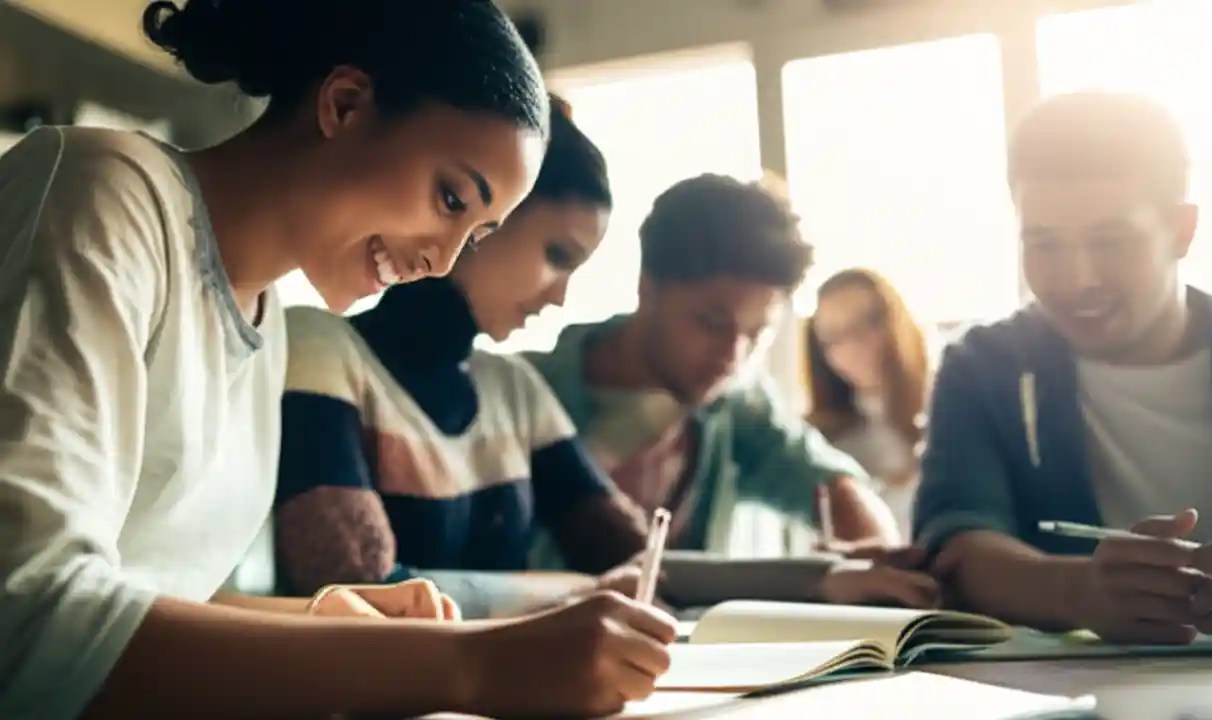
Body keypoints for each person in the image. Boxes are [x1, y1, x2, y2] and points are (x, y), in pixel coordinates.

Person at [0, 2, 674, 719]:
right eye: (450, 198)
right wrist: (469, 664)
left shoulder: (270, 324)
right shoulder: (103, 191)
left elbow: (161, 594)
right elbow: (26, 615)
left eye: (475, 235)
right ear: (345, 104)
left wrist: (324, 622)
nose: (440, 260)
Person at [915, 91, 1212, 647]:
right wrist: (1077, 592)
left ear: (1181, 231)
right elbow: (958, 543)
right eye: (1044, 245)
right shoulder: (983, 368)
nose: (1076, 278)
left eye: (1109, 242)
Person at [275, 98, 652, 619]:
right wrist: (575, 592)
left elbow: (637, 563)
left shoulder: (512, 387)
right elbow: (360, 590)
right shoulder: (319, 347)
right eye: (556, 256)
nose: (560, 297)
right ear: (493, 215)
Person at [529, 174, 940, 609]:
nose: (732, 354)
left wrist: (876, 563)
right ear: (647, 287)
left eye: (756, 333)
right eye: (711, 321)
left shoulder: (737, 404)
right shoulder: (529, 393)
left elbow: (831, 483)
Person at [806, 268, 929, 537]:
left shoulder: (948, 410)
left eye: (868, 323)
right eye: (833, 336)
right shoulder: (821, 443)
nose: (853, 344)